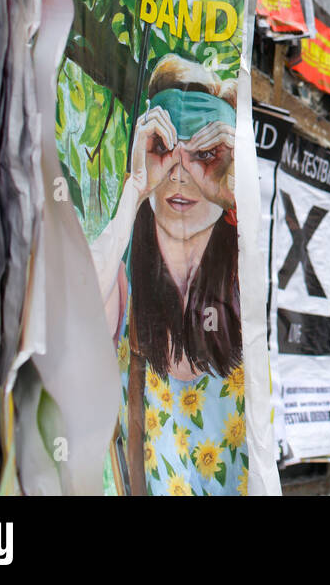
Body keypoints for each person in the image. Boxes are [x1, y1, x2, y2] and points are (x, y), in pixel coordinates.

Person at [90, 54, 245, 495]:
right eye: (164, 146)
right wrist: (134, 191)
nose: (179, 174)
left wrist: (235, 198)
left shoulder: (247, 277)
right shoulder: (121, 286)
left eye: (206, 154)